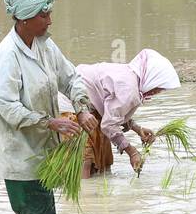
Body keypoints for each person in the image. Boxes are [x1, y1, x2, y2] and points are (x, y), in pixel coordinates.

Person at [0, 0, 99, 214]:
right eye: (43, 15)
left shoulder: (45, 46)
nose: (50, 20)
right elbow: (6, 105)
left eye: (49, 13)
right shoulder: (8, 55)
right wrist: (50, 122)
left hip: (43, 154)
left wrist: (81, 109)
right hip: (20, 156)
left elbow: (71, 77)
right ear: (25, 18)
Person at [55, 49, 181, 177]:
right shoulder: (129, 89)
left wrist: (137, 129)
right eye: (158, 87)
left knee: (103, 162)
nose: (157, 92)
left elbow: (113, 114)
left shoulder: (132, 79)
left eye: (161, 89)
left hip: (92, 110)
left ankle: (98, 194)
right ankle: (84, 194)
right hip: (72, 104)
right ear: (151, 78)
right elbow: (108, 125)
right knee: (84, 160)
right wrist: (132, 152)